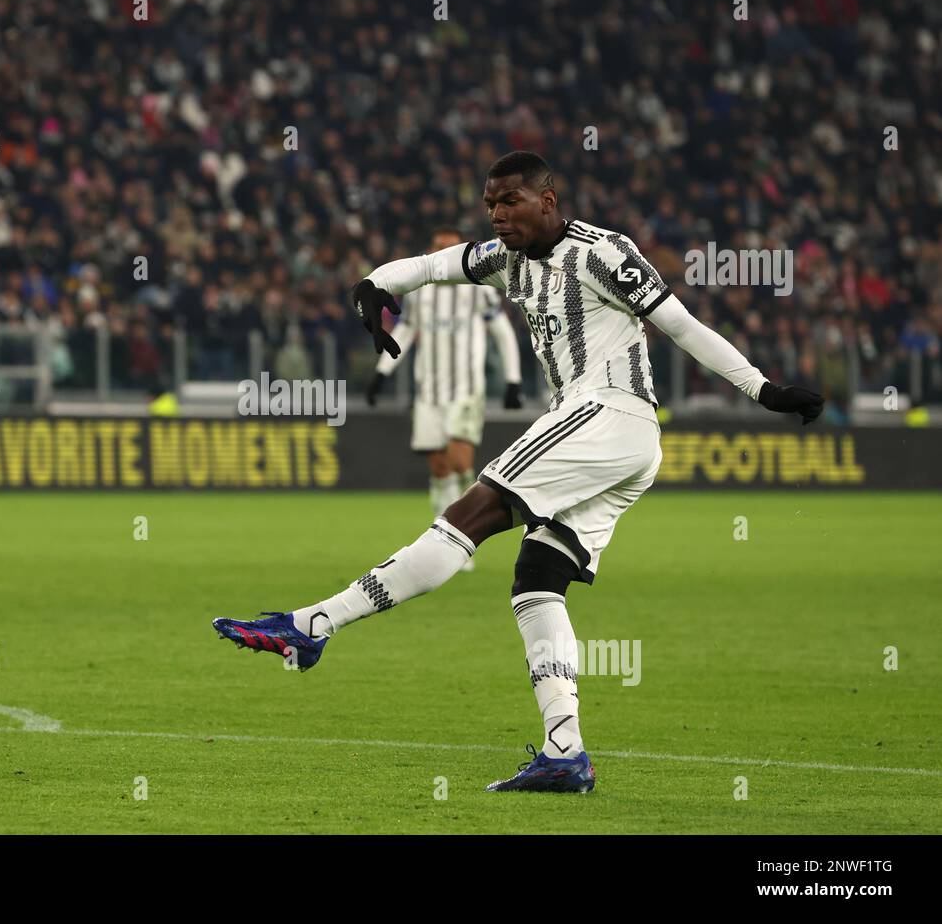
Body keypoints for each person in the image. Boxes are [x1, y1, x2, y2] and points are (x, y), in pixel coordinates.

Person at [213, 151, 823, 794]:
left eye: (511, 202)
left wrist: (762, 390)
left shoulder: (603, 253)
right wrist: (375, 284)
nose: (498, 216)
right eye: (490, 205)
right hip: (619, 443)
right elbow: (430, 267)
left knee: (470, 513)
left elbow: (681, 325)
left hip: (607, 412)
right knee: (537, 580)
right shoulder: (503, 260)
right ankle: (566, 752)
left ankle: (314, 624)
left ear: (548, 201)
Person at [364, 226, 523, 572]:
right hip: (429, 391)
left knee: (458, 460)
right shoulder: (421, 291)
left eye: (449, 248)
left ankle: (465, 536)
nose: (442, 253)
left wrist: (513, 379)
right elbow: (406, 329)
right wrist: (382, 372)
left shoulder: (478, 287)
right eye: (437, 247)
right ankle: (441, 540)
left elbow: (501, 329)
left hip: (466, 388)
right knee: (438, 467)